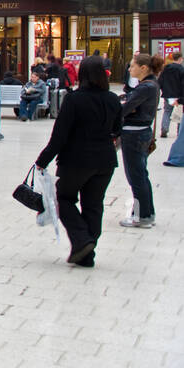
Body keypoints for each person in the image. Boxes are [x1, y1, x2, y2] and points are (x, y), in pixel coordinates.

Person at [36, 56, 124, 268]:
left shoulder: (74, 99)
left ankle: (82, 240)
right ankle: (87, 253)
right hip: (105, 160)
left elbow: (60, 135)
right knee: (94, 205)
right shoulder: (113, 99)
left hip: (76, 160)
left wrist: (43, 160)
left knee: (64, 199)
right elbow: (117, 130)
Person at [119, 53, 162, 228]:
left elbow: (126, 109)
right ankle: (147, 213)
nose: (130, 69)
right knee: (141, 176)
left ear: (143, 68)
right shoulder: (150, 85)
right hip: (141, 133)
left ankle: (141, 216)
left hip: (134, 135)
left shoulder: (145, 87)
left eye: (132, 66)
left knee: (135, 177)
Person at [158, 52, 183, 138]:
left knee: (167, 112)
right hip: (179, 95)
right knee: (179, 113)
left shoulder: (166, 69)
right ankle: (179, 132)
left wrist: (162, 90)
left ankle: (164, 129)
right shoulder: (181, 69)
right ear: (180, 59)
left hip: (167, 94)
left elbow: (160, 81)